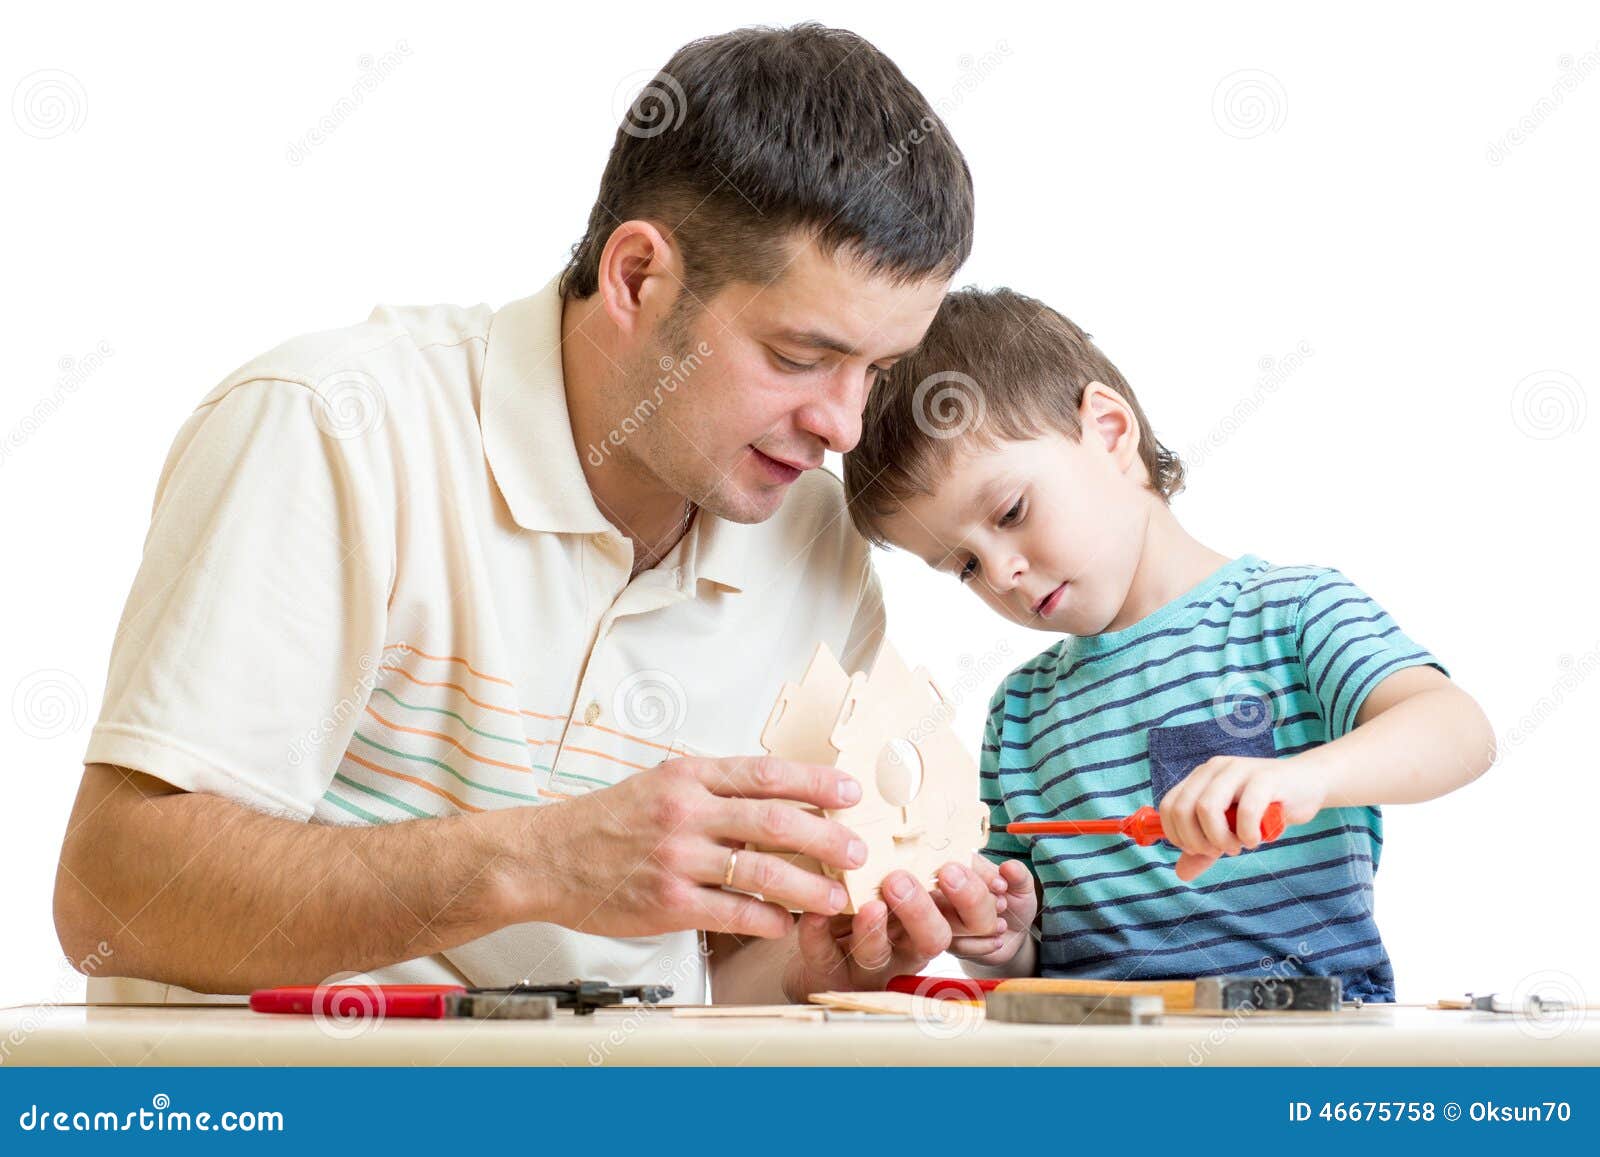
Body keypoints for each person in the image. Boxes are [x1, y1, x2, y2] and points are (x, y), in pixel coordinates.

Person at [53, 25, 1007, 1007]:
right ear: (637, 278)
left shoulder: (818, 544)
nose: (843, 427)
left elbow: (706, 973)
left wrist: (805, 965)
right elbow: (110, 899)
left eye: (878, 372)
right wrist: (534, 861)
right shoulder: (334, 426)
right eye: (800, 358)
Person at [842, 288, 1496, 1000]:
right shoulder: (1019, 712)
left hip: (1304, 1038)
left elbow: (1459, 732)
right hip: (1096, 1052)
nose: (1000, 574)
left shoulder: (1293, 612)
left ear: (1110, 432)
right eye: (965, 566)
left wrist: (1310, 778)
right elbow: (1032, 953)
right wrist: (1000, 943)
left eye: (1011, 511)